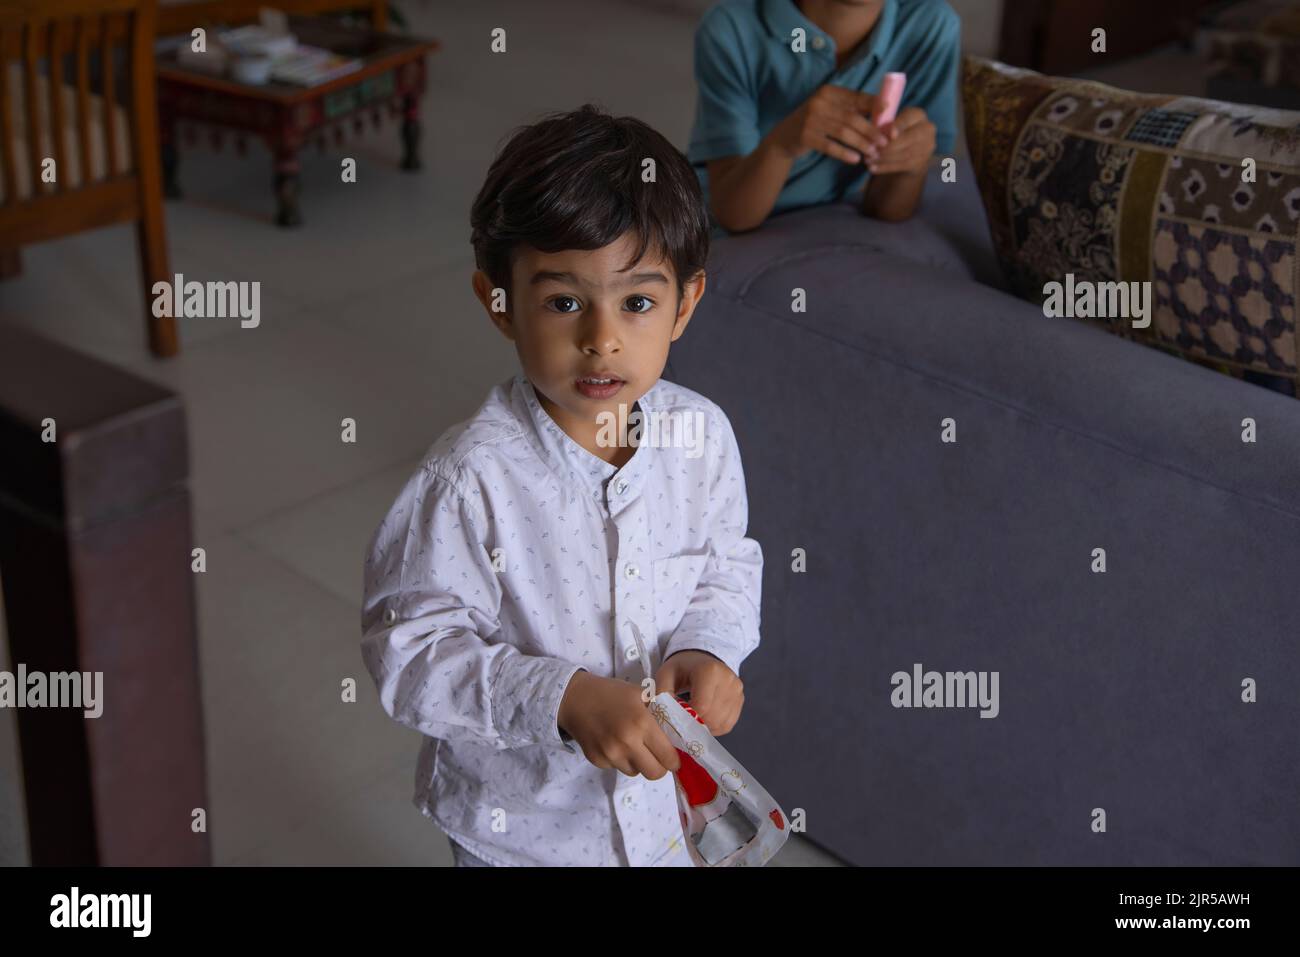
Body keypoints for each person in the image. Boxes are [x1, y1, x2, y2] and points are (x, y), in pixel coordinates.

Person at [360, 104, 764, 867]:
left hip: (663, 818)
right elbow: (409, 653)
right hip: (521, 833)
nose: (601, 337)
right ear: (499, 303)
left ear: (686, 303)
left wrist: (713, 646)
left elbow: (726, 563)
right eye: (564, 301)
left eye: (637, 302)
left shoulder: (702, 436)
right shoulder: (469, 479)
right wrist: (562, 696)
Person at [689, 0, 960, 231]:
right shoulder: (732, 27)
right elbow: (732, 215)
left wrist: (910, 165)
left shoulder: (930, 27)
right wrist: (782, 146)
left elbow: (886, 210)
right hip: (719, 228)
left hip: (823, 226)